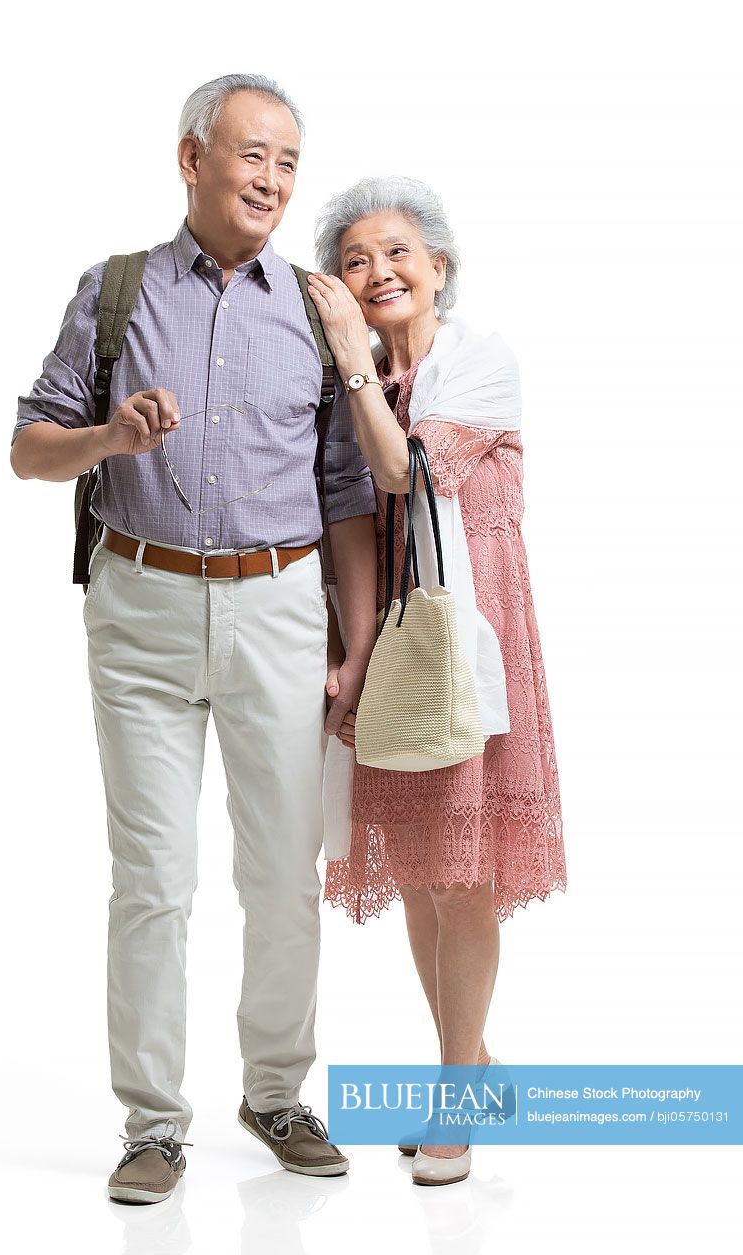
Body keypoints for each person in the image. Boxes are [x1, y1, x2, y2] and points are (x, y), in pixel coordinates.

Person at [10, 74, 379, 1203]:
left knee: (281, 874)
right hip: (142, 609)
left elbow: (348, 494)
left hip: (279, 605)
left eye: (288, 163)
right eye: (252, 155)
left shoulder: (318, 311)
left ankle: (274, 1092)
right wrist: (109, 436)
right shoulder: (115, 291)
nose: (271, 180)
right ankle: (153, 1122)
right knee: (153, 881)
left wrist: (356, 649)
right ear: (191, 160)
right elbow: (30, 447)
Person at [307, 175, 567, 1186]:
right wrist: (351, 652)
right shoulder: (361, 376)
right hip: (392, 645)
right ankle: (471, 1063)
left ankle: (459, 1087)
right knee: (418, 867)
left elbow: (406, 471)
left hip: (471, 639)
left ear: (439, 267)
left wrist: (350, 367)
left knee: (467, 874)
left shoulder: (479, 360)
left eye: (398, 252)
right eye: (357, 260)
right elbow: (347, 510)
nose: (379, 272)